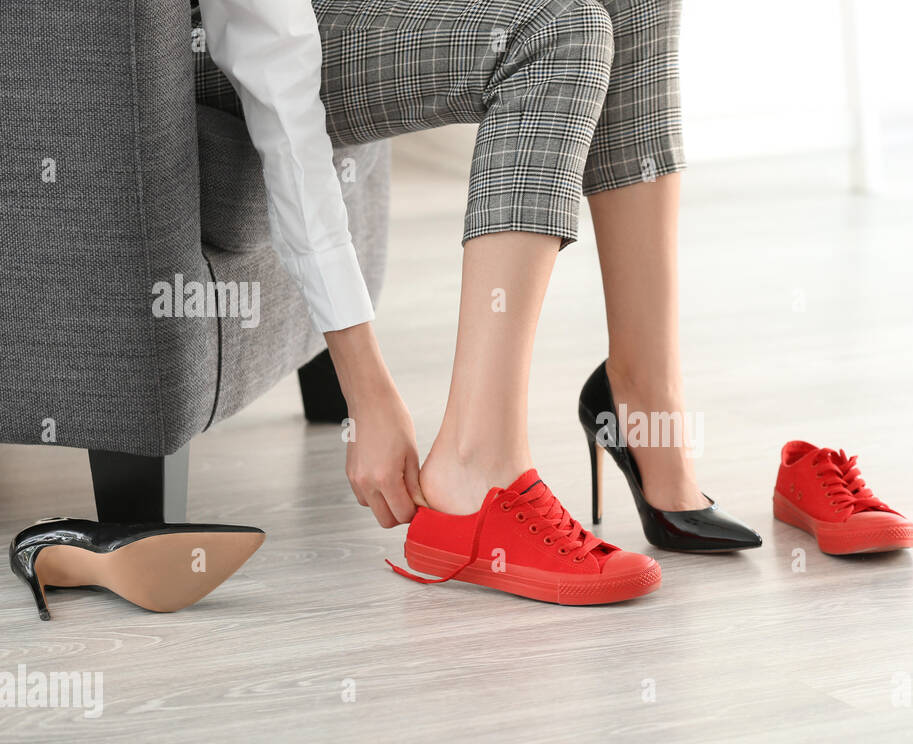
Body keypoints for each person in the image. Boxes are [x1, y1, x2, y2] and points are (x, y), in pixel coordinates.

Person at [194, 0, 760, 605]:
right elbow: (273, 70)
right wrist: (364, 384)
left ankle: (645, 399)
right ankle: (476, 465)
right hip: (194, 44)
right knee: (557, 30)